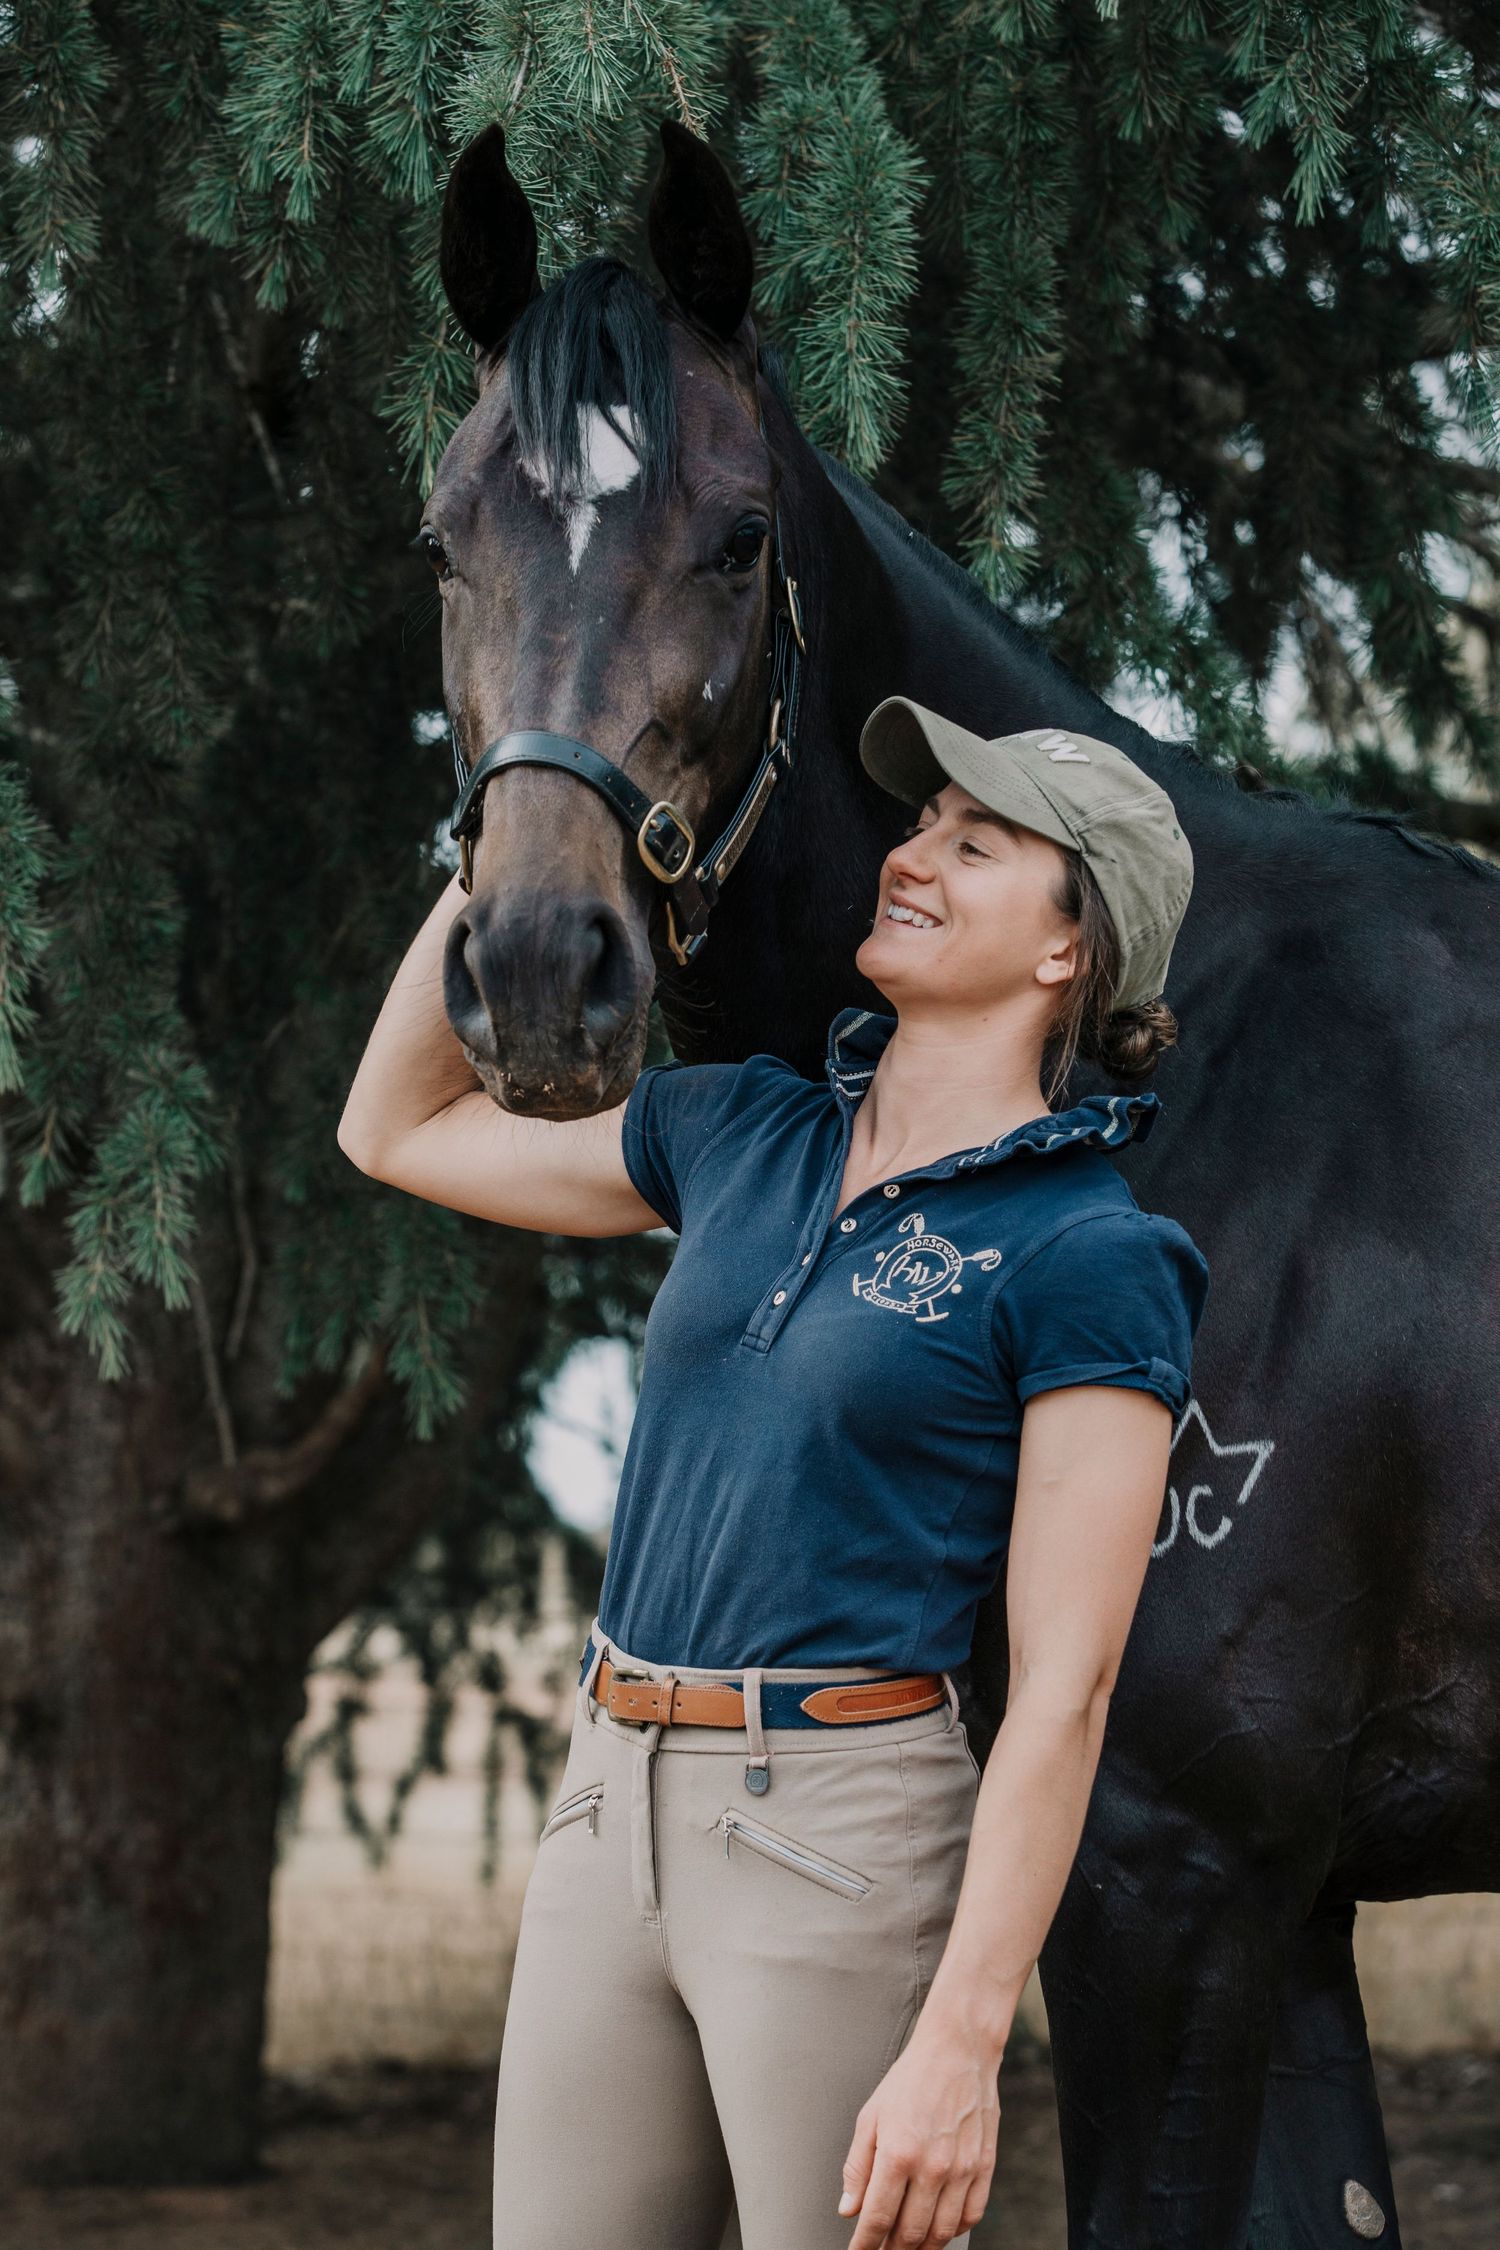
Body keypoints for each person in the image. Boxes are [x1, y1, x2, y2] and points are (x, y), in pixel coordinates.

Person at [337, 697, 1209, 2250]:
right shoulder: (739, 1127)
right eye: (921, 825)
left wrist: (961, 2038)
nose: (913, 856)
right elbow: (396, 1125)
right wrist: (514, 827)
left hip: (843, 1836)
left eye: (978, 842)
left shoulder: (1090, 1253)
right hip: (608, 1808)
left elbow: (1067, 1693)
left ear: (1071, 949)